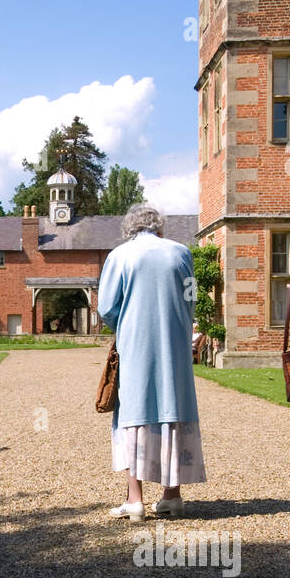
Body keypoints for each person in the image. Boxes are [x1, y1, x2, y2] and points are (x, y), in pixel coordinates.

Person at [97, 203, 206, 521]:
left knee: (135, 413)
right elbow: (191, 298)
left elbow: (106, 307)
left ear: (129, 229)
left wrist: (125, 323)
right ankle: (172, 496)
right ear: (159, 228)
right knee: (171, 411)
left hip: (136, 344)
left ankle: (135, 501)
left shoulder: (120, 255)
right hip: (174, 343)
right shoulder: (181, 253)